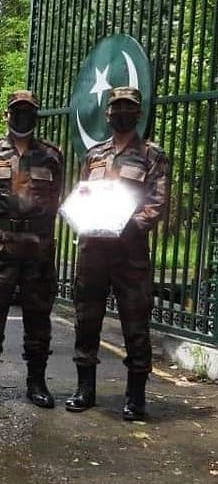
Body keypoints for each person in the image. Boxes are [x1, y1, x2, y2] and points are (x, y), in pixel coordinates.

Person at [68, 86, 170, 420]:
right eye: (116, 108)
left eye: (128, 108)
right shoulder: (94, 154)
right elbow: (83, 194)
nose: (121, 113)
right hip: (93, 251)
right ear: (107, 113)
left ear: (138, 114)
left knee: (135, 323)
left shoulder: (152, 155)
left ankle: (135, 397)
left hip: (130, 253)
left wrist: (127, 226)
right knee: (86, 319)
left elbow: (157, 202)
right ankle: (85, 389)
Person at [0, 90, 63, 408]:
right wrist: (1, 226)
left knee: (38, 317)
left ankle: (37, 382)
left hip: (38, 250)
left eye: (28, 111)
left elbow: (56, 199)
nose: (22, 116)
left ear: (35, 116)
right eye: (17, 111)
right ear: (7, 115)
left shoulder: (52, 155)